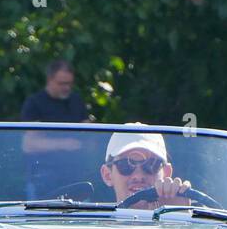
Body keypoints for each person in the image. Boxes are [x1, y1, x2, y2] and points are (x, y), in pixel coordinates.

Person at [20, 60, 89, 199]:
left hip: (77, 176)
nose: (66, 88)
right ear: (49, 79)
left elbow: (88, 134)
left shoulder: (76, 101)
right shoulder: (34, 103)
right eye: (62, 83)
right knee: (40, 220)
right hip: (43, 177)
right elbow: (29, 144)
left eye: (69, 83)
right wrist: (64, 144)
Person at [99, 127, 193, 211]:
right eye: (125, 165)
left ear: (166, 173)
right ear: (107, 175)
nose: (138, 176)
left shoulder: (197, 224)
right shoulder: (92, 227)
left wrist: (179, 214)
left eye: (151, 165)